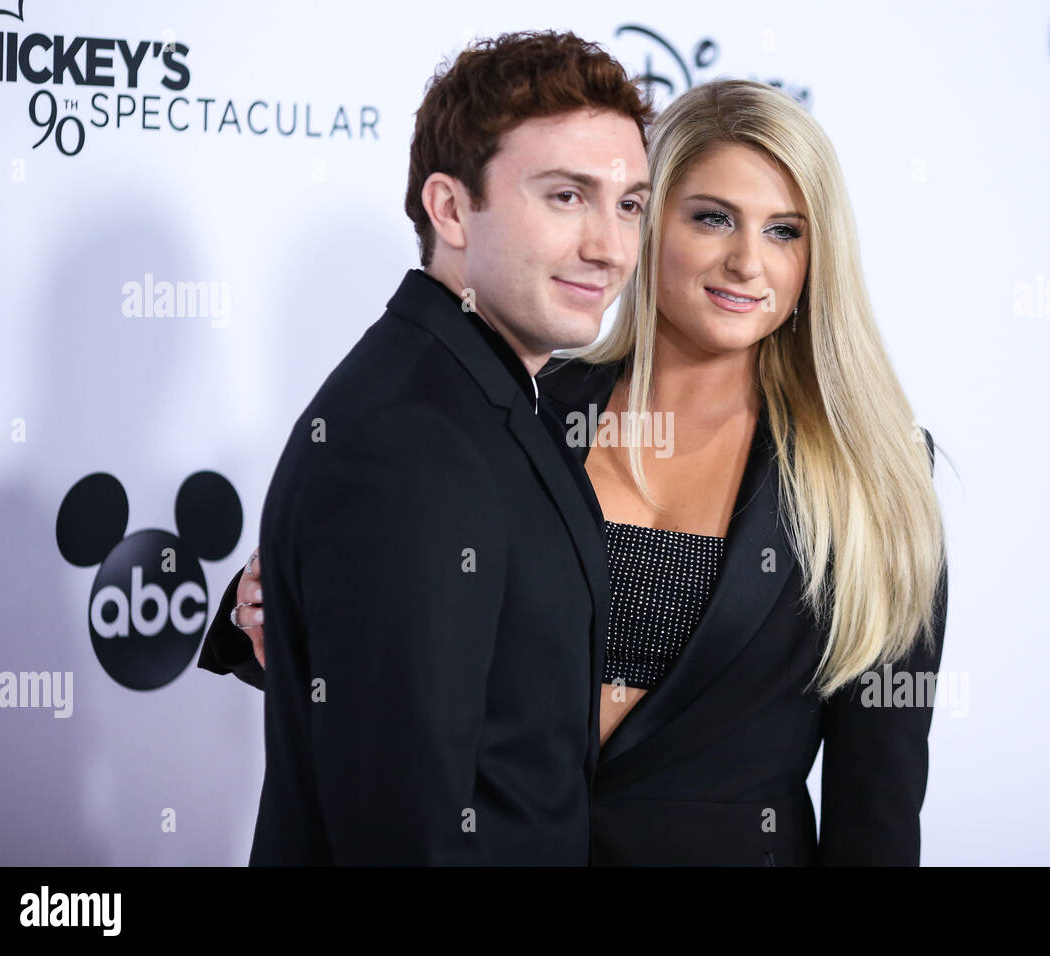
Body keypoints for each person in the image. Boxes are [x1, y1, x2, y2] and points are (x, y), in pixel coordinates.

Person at [207, 79, 949, 866]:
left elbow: (878, 801)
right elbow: (404, 683)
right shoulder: (512, 408)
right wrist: (276, 613)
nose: (746, 262)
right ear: (644, 223)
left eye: (785, 232)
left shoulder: (873, 475)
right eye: (712, 218)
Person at [206, 30, 654, 865]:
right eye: (566, 197)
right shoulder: (412, 440)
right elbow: (402, 829)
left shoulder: (481, 392)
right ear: (450, 209)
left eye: (629, 203)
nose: (612, 247)